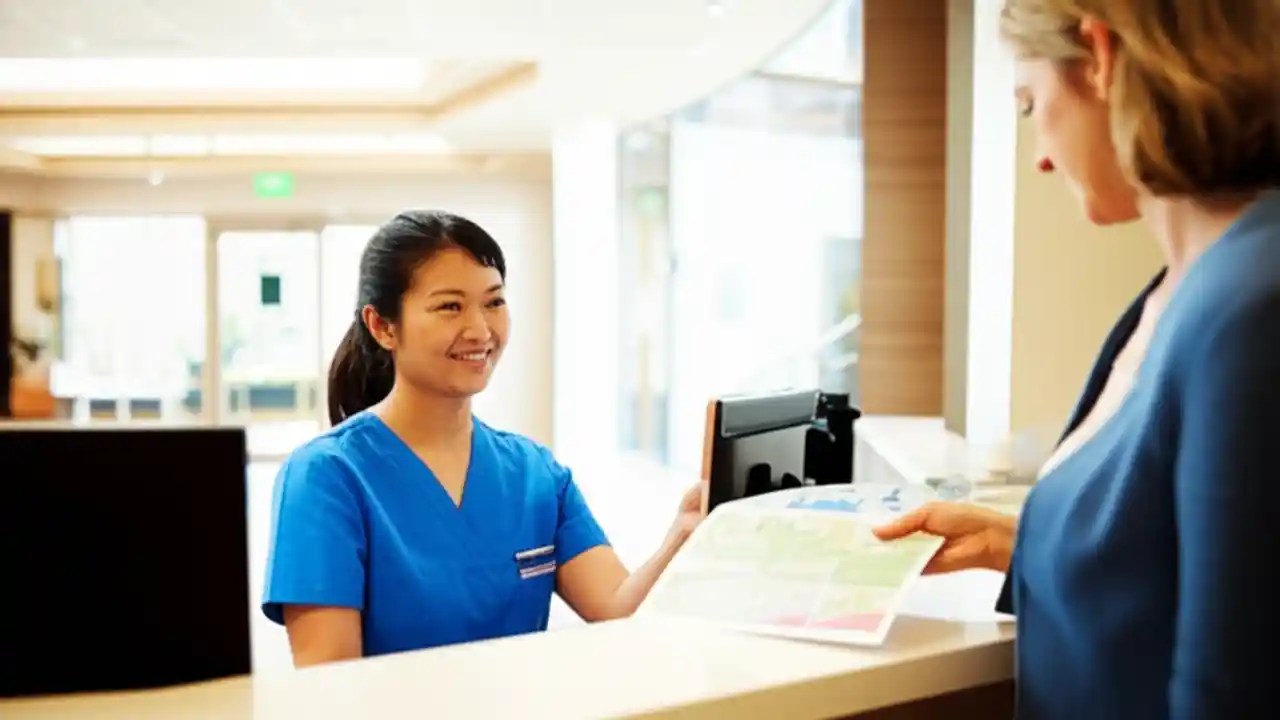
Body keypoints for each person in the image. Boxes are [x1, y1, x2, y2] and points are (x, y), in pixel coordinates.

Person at [875, 1, 1279, 717]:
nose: (1040, 157)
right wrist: (1018, 541)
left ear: (1101, 58)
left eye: (1030, 104)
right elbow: (1170, 557)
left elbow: (1235, 687)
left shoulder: (1249, 309)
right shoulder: (1178, 290)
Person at [262, 210, 703, 666]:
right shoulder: (327, 477)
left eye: (493, 302)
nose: (480, 330)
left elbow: (617, 610)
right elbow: (327, 687)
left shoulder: (536, 475)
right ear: (383, 327)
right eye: (450, 306)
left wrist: (685, 532)